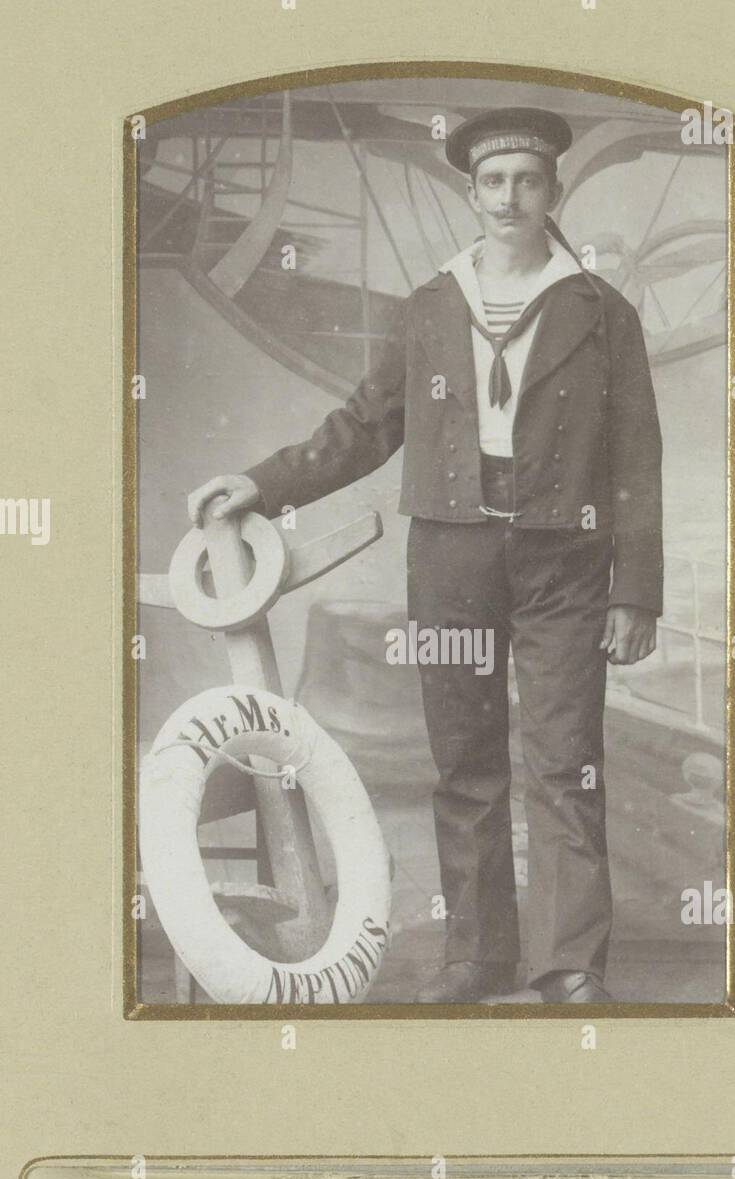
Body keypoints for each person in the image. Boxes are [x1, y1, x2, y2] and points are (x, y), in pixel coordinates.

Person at [188, 106, 663, 1005]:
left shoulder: (605, 314)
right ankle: (476, 959)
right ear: (473, 194)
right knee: (465, 761)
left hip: (566, 559)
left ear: (553, 189)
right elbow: (366, 427)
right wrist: (264, 484)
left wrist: (634, 589)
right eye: (492, 181)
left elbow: (637, 456)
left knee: (565, 758)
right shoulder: (433, 306)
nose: (509, 196)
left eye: (527, 179)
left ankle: (568, 969)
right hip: (451, 559)